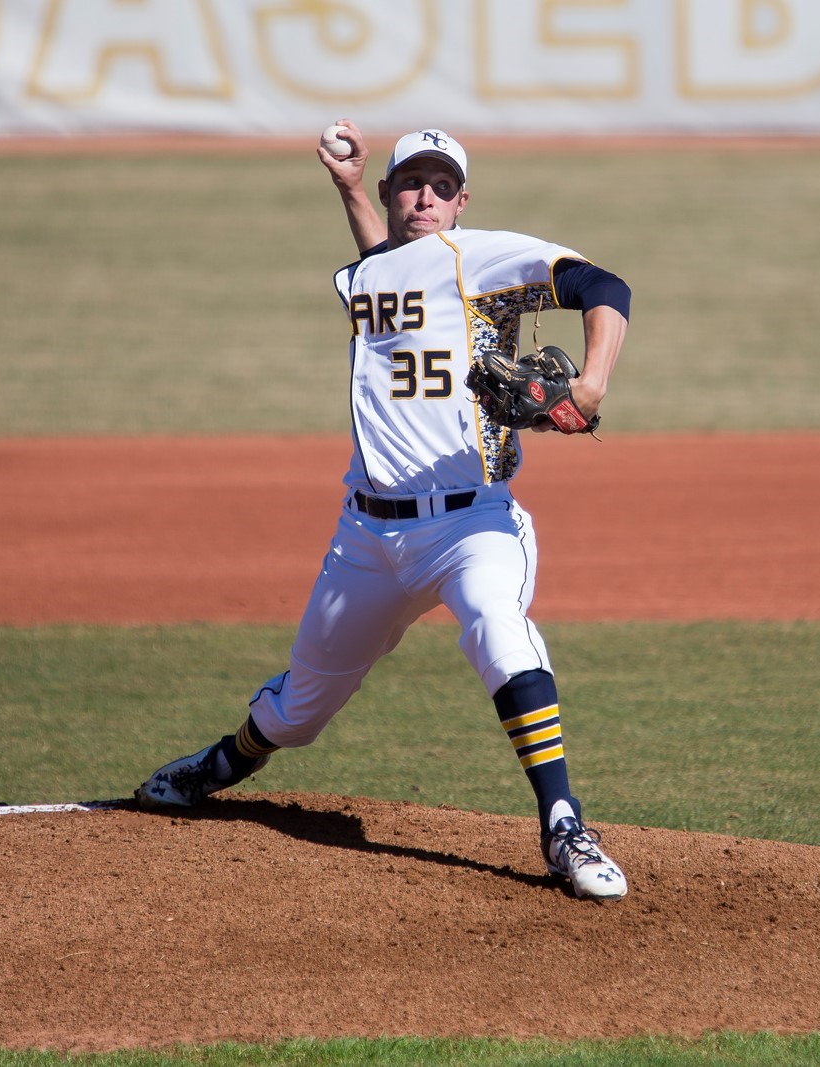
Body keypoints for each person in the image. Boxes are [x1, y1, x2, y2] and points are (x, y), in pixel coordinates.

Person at [135, 121, 631, 902]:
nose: (425, 197)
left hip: (471, 525)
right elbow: (391, 270)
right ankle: (223, 762)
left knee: (498, 629)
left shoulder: (483, 258)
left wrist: (592, 383)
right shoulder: (375, 275)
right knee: (298, 711)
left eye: (442, 186)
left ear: (462, 202)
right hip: (366, 536)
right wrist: (347, 189)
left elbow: (605, 288)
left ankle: (564, 825)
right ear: (389, 192)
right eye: (410, 183)